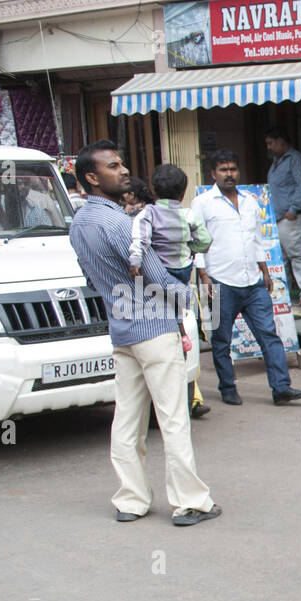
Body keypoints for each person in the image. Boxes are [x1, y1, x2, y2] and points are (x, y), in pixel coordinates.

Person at [67, 140, 220, 527]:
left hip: (121, 330)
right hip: (153, 329)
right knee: (173, 418)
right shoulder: (120, 223)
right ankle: (190, 502)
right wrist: (191, 296)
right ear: (92, 177)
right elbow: (155, 276)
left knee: (127, 419)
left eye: (120, 164)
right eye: (113, 166)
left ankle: (131, 500)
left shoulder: (79, 224)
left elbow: (91, 278)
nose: (122, 171)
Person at [189, 149, 301, 406]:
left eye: (233, 169)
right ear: (213, 174)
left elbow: (257, 239)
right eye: (223, 170)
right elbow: (196, 241)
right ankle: (227, 387)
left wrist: (265, 271)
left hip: (253, 281)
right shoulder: (203, 203)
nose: (229, 174)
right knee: (221, 339)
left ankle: (281, 388)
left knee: (268, 334)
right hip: (220, 282)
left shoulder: (250, 201)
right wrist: (203, 275)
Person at [128, 163, 214, 419]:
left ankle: (177, 333)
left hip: (159, 271)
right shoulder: (188, 215)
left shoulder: (147, 214)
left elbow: (140, 241)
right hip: (182, 268)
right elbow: (205, 241)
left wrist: (135, 262)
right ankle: (181, 334)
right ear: (182, 191)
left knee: (162, 306)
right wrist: (192, 247)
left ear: (154, 189)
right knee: (180, 305)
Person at [264, 126, 301, 309]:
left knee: (299, 255)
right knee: (283, 258)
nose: (269, 147)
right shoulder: (276, 162)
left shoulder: (298, 159)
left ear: (281, 141)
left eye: (271, 143)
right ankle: (284, 293)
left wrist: (294, 209)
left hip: (292, 217)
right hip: (278, 217)